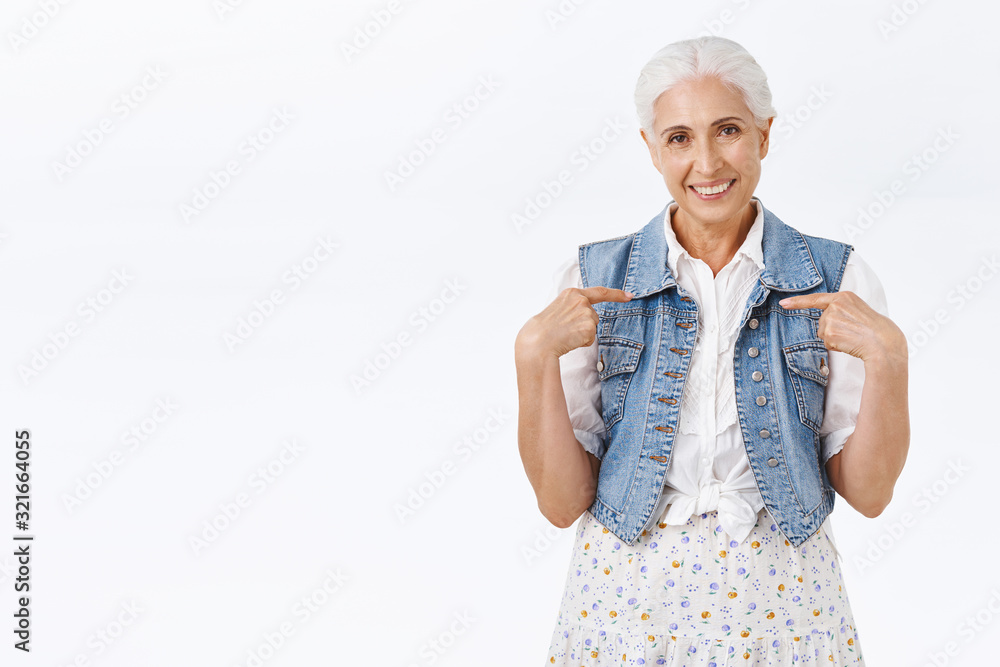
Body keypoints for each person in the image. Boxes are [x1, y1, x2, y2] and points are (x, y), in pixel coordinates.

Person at [513, 36, 909, 665]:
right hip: (625, 599)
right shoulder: (591, 281)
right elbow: (561, 504)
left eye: (727, 130)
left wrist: (890, 358)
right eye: (678, 137)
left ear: (764, 135)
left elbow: (870, 493)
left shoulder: (836, 279)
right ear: (650, 147)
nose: (706, 162)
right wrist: (532, 355)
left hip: (784, 598)